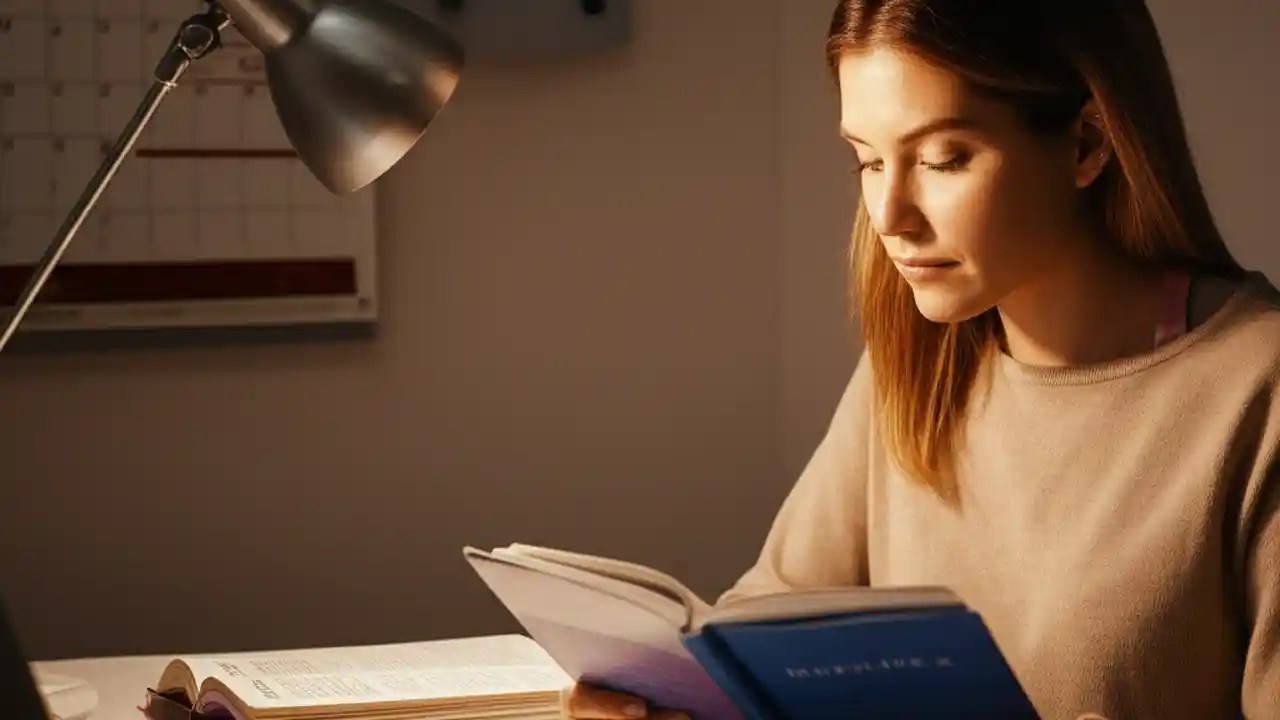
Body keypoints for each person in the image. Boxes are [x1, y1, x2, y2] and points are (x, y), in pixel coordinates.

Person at [568, 0, 1279, 717]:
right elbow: (766, 627)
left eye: (943, 159)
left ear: (1087, 142)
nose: (890, 217)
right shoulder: (914, 363)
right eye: (868, 162)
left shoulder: (1258, 387)